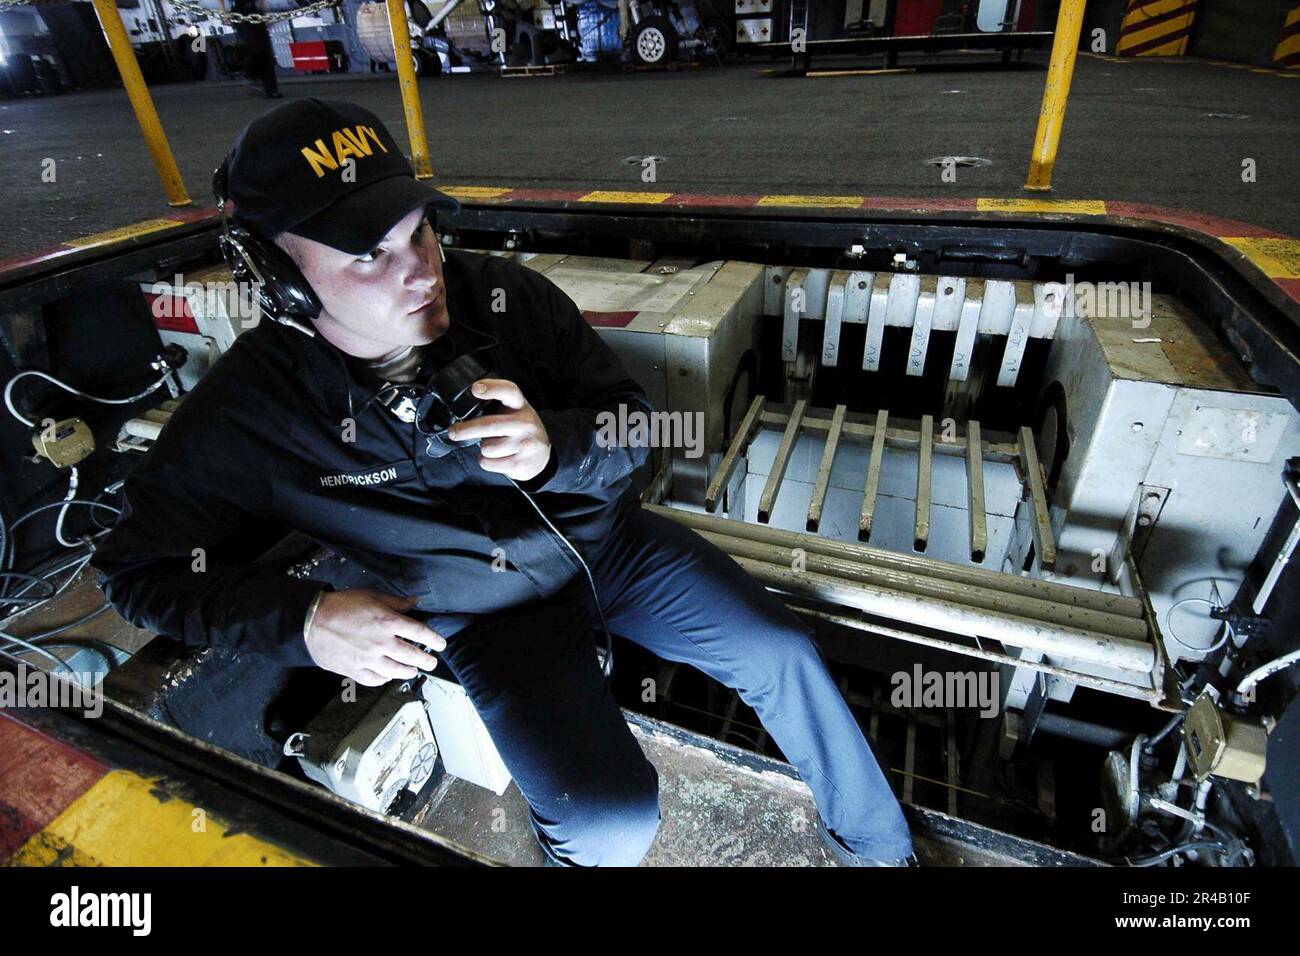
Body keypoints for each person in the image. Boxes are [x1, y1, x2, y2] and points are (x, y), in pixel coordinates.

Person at [91, 98, 915, 868]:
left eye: (420, 233)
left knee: (783, 652)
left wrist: (557, 446)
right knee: (609, 820)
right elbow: (136, 573)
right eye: (371, 253)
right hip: (487, 618)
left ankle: (880, 849)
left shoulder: (505, 297)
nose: (421, 271)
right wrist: (304, 622)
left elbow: (637, 425)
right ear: (281, 279)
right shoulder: (250, 412)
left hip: (609, 547)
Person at [232, 0, 281, 98]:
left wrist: (266, 13)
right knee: (254, 48)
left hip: (254, 11)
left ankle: (271, 90)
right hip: (240, 13)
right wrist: (224, 13)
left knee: (266, 51)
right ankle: (251, 76)